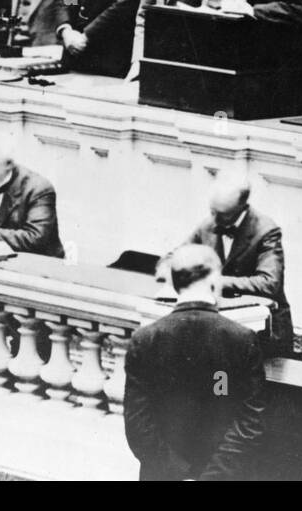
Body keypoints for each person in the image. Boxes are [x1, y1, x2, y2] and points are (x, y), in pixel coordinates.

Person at [125, 245, 267, 481]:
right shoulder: (241, 339)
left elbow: (137, 424)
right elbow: (249, 422)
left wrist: (177, 474)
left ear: (174, 282)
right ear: (214, 279)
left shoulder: (145, 340)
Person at [161, 168, 292, 351]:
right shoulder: (209, 224)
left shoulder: (266, 231)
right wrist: (169, 269)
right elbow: (174, 257)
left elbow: (269, 283)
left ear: (242, 207)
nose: (215, 220)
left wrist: (215, 281)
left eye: (223, 215)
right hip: (222, 325)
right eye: (212, 211)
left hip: (264, 332)